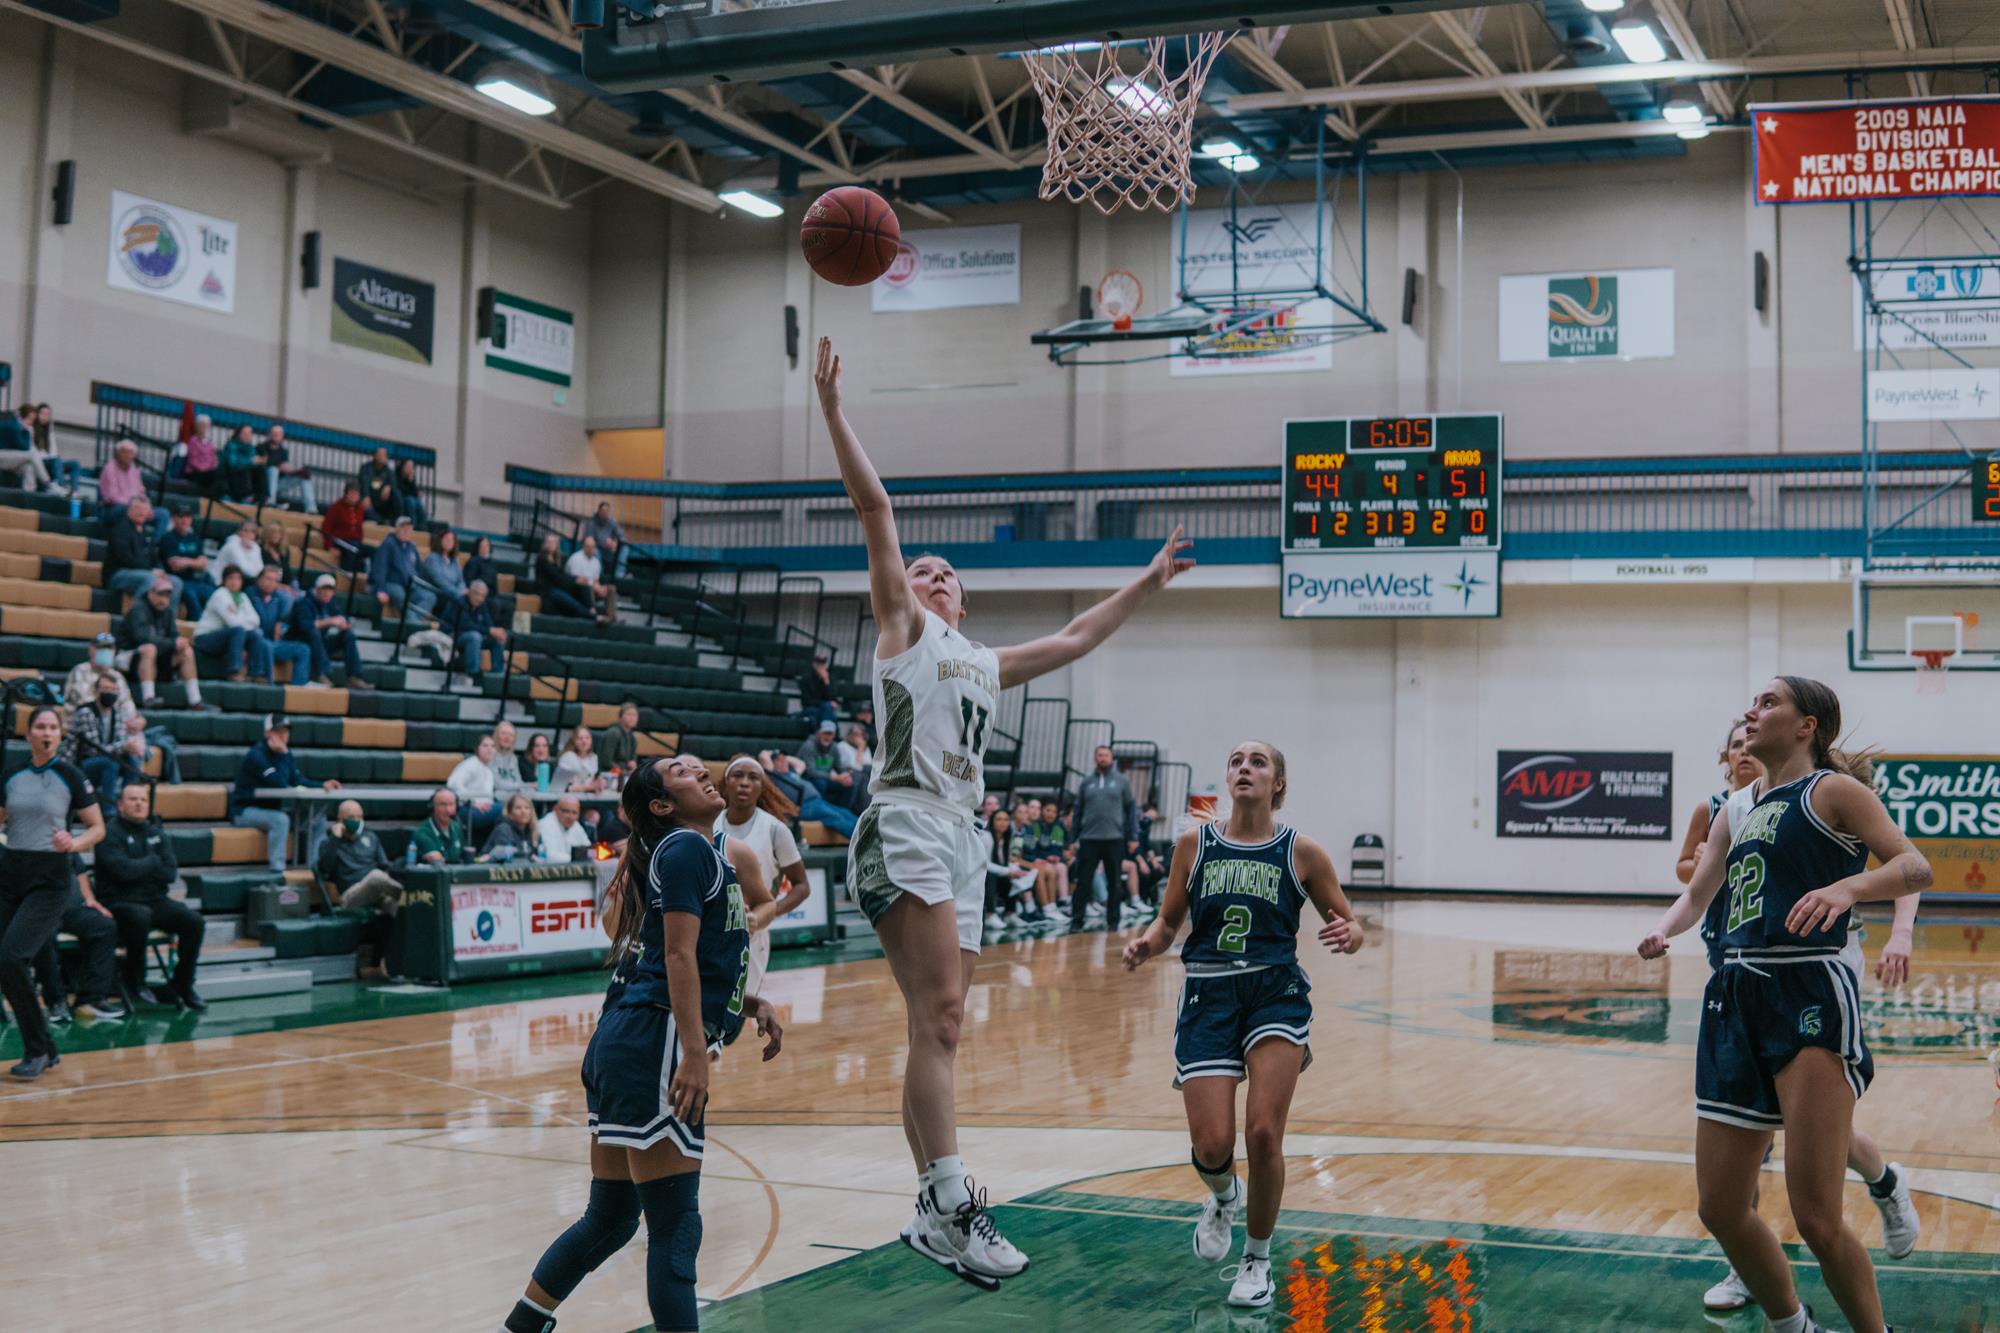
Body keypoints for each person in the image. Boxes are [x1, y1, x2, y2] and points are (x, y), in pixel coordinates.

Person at [816, 335, 1192, 1288]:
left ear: (966, 599)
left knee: (935, 1026)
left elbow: (1072, 634)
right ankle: (951, 1203)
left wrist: (1144, 584)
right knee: (940, 1016)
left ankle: (928, 1206)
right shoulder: (901, 628)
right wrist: (831, 410)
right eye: (921, 568)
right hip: (903, 818)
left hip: (962, 833)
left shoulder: (983, 660)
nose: (929, 573)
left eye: (945, 572)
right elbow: (877, 507)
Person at [1637, 677, 1932, 1333]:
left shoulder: (1833, 790)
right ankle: (1793, 1325)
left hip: (1808, 987)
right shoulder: (1733, 807)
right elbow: (1699, 891)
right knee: (1719, 1204)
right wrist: (1667, 927)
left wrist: (1851, 887)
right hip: (1735, 992)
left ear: (1808, 725)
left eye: (1768, 702)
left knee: (1818, 1217)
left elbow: (1915, 867)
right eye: (1752, 702)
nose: (1750, 711)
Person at [500, 756, 781, 1333]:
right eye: (681, 772)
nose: (701, 771)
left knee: (611, 1218)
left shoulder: (699, 851)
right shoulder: (686, 849)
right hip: (654, 1040)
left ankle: (522, 1327)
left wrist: (749, 1004)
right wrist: (696, 1054)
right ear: (662, 805)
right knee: (677, 1227)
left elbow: (680, 958)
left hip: (627, 1037)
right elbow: (676, 956)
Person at [1122, 741, 1363, 1308]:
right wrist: (1147, 945)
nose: (1244, 768)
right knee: (1212, 1144)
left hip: (1274, 992)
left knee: (1262, 1132)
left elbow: (1350, 924)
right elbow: (1167, 922)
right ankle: (1223, 1194)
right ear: (1227, 778)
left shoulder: (1301, 852)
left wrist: (1350, 935)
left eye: (1257, 762)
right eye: (1236, 761)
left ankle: (1257, 1260)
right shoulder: (1193, 844)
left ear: (1278, 782)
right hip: (1208, 994)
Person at [0, 705, 107, 1080]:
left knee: (11, 957)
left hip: (50, 881)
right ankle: (45, 1046)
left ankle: (36, 1050)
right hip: (11, 875)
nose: (46, 732)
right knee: (5, 964)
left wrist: (74, 841)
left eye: (52, 727)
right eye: (39, 726)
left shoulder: (70, 775)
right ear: (28, 733)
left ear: (60, 735)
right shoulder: (12, 775)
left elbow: (97, 828)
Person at [95, 784, 206, 1010]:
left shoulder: (156, 832)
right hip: (119, 901)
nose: (139, 804)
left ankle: (182, 983)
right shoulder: (109, 833)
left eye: (143, 800)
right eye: (133, 799)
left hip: (155, 900)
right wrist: (152, 862)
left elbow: (169, 873)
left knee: (194, 922)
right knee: (139, 916)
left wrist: (140, 868)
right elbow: (122, 872)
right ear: (120, 805)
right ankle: (135, 981)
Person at [717, 755, 812, 1007]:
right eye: (737, 776)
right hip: (709, 929)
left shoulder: (775, 829)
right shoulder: (709, 823)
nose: (744, 783)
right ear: (725, 783)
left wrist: (765, 915)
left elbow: (802, 886)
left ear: (763, 787)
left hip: (752, 935)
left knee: (734, 1013)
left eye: (753, 777)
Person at [230, 714, 338, 873]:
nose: (283, 735)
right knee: (280, 820)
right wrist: (284, 753)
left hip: (271, 810)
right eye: (278, 731)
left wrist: (322, 784)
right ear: (267, 733)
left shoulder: (285, 754)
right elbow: (279, 783)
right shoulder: (257, 755)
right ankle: (277, 871)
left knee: (317, 819)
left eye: (286, 731)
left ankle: (315, 869)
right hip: (244, 811)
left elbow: (297, 780)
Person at [315, 799, 401, 980]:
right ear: (339, 819)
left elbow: (385, 866)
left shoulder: (371, 837)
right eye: (351, 817)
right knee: (375, 877)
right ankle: (408, 893)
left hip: (379, 894)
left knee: (396, 907)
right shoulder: (330, 842)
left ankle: (387, 963)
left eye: (360, 816)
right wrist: (335, 839)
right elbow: (323, 869)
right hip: (351, 896)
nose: (356, 820)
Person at [1070, 744, 1139, 932]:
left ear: (1112, 758)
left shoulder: (1122, 782)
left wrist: (1133, 836)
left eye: (1106, 755)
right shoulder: (1086, 783)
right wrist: (1071, 839)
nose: (1103, 758)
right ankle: (1077, 921)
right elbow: (1078, 812)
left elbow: (1131, 810)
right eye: (1099, 755)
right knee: (1083, 881)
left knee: (1115, 883)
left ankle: (1113, 921)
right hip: (1089, 839)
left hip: (1114, 839)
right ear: (1095, 758)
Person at [119, 572, 204, 708]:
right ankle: (149, 698)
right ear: (150, 593)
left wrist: (179, 642)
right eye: (160, 594)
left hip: (155, 660)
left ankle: (195, 700)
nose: (163, 599)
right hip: (128, 658)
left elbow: (174, 636)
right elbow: (141, 639)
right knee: (149, 648)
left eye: (166, 596)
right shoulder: (138, 609)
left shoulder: (168, 612)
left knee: (186, 650)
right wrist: (172, 643)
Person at [62, 672, 144, 808]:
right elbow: (94, 750)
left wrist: (129, 748)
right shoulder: (86, 712)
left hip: (104, 760)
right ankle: (109, 812)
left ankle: (127, 805)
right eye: (105, 689)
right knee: (109, 763)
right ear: (96, 692)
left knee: (132, 762)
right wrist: (125, 746)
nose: (110, 693)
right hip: (79, 764)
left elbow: (119, 742)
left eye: (113, 690)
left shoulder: (117, 714)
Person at [196, 565, 275, 683]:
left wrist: (238, 617)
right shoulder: (220, 594)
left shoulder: (242, 596)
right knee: (238, 631)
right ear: (224, 580)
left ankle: (255, 673)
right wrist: (244, 619)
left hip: (226, 637)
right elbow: (233, 623)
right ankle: (234, 671)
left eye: (238, 579)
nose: (235, 582)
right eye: (231, 578)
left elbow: (256, 620)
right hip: (205, 638)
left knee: (254, 635)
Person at [287, 574, 368, 688]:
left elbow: (341, 618)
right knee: (314, 633)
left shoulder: (330, 603)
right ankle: (321, 674)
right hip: (299, 642)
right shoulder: (304, 602)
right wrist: (329, 621)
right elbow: (306, 627)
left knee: (348, 635)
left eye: (330, 590)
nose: (327, 593)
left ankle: (354, 677)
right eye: (324, 589)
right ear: (316, 589)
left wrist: (344, 624)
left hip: (318, 644)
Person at [105, 498, 178, 606]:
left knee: (175, 582)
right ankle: (138, 618)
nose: (142, 512)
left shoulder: (147, 532)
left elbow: (154, 557)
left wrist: (160, 571)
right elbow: (126, 559)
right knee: (150, 578)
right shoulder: (119, 530)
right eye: (138, 508)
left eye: (145, 509)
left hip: (144, 572)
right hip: (118, 574)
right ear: (129, 510)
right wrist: (151, 571)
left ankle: (166, 621)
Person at [249, 565, 313, 685]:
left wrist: (281, 626)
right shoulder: (249, 594)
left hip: (273, 642)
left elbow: (283, 622)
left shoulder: (279, 598)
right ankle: (269, 685)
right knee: (265, 644)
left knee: (303, 649)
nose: (271, 583)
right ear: (259, 579)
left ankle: (298, 689)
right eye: (268, 579)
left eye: (275, 580)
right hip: (255, 642)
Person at [441, 580, 506, 686]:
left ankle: (498, 677)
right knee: (474, 636)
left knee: (497, 639)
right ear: (469, 592)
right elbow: (465, 625)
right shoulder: (459, 602)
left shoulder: (482, 606)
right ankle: (472, 675)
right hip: (452, 635)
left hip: (470, 636)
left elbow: (489, 625)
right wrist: (490, 630)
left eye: (483, 596)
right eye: (477, 594)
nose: (479, 599)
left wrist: (495, 632)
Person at [158, 505, 217, 618]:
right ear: (173, 519)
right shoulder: (168, 538)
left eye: (188, 517)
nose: (185, 520)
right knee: (191, 595)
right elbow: (175, 565)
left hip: (193, 580)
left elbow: (204, 564)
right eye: (181, 516)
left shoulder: (195, 538)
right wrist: (195, 562)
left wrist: (185, 561)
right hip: (174, 580)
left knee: (213, 593)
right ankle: (196, 624)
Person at [448, 736, 502, 837]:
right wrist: (472, 802)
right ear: (477, 749)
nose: (489, 749)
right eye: (485, 745)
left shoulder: (488, 768)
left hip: (484, 809)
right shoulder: (470, 765)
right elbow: (452, 785)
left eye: (493, 746)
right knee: (507, 808)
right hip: (468, 810)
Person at [796, 719, 856, 809]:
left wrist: (846, 775)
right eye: (825, 733)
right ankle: (820, 809)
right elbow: (810, 772)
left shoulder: (834, 747)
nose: (827, 737)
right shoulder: (809, 746)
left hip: (826, 778)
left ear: (834, 735)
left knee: (849, 785)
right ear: (818, 734)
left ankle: (843, 811)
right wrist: (834, 778)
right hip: (806, 779)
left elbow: (838, 767)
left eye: (830, 734)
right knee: (821, 783)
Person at [410, 527, 465, 620]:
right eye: (446, 539)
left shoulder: (454, 561)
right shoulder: (433, 558)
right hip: (433, 592)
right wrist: (458, 593)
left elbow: (461, 580)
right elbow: (441, 582)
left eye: (452, 540)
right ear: (440, 540)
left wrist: (461, 591)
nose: (449, 542)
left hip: (448, 595)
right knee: (456, 600)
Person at [370, 515, 420, 616]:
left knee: (428, 596)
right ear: (396, 529)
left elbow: (419, 569)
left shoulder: (412, 547)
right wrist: (381, 589)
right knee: (400, 594)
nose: (406, 531)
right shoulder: (388, 544)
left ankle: (414, 620)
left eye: (409, 529)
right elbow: (380, 568)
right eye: (403, 528)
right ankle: (412, 623)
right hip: (391, 583)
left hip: (409, 586)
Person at [261, 424, 317, 513]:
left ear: (282, 436)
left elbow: (284, 467)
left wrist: (293, 471)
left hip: (279, 483)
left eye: (279, 434)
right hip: (265, 482)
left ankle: (311, 508)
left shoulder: (283, 451)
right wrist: (279, 467)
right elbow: (262, 464)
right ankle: (271, 502)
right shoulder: (261, 447)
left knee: (304, 477)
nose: (276, 436)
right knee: (273, 470)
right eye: (274, 433)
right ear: (270, 434)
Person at [535, 534, 592, 619]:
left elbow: (562, 576)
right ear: (545, 544)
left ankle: (592, 610)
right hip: (548, 591)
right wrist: (575, 580)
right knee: (570, 600)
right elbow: (557, 577)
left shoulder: (556, 559)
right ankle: (592, 616)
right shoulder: (542, 560)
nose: (552, 544)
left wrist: (576, 579)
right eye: (550, 542)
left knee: (583, 586)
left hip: (557, 588)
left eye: (554, 542)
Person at [0, 402, 53, 492]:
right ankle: (48, 483)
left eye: (33, 420)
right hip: (2, 456)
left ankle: (28, 496)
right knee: (31, 455)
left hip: (8, 459)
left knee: (29, 467)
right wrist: (28, 431)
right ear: (22, 416)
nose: (31, 423)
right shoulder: (14, 426)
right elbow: (25, 447)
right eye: (30, 419)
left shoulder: (17, 425)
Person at [96, 437, 149, 526]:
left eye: (132, 453)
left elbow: (141, 491)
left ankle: (154, 540)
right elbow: (111, 497)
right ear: (118, 454)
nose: (129, 456)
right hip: (111, 509)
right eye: (125, 452)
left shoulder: (134, 470)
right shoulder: (109, 469)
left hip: (133, 507)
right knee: (127, 510)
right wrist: (134, 506)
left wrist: (145, 505)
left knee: (163, 514)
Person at [565, 533, 617, 623]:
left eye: (593, 546)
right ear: (583, 546)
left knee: (611, 588)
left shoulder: (596, 562)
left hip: (592, 588)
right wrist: (596, 587)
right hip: (576, 590)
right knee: (589, 588)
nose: (590, 549)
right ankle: (594, 616)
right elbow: (579, 581)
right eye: (588, 546)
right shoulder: (575, 558)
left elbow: (596, 580)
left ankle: (611, 617)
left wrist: (600, 588)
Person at [28, 404, 79, 494]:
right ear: (37, 414)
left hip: (52, 462)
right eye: (42, 413)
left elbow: (54, 451)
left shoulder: (49, 430)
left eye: (47, 415)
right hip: (41, 462)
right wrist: (50, 458)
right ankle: (61, 486)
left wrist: (52, 458)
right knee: (56, 460)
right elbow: (32, 451)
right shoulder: (31, 428)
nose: (44, 417)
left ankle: (74, 491)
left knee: (75, 463)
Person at [480, 794, 541, 863]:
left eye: (527, 808)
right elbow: (506, 857)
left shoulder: (531, 830)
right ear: (509, 813)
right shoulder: (503, 829)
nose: (523, 811)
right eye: (518, 808)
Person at [412, 788, 467, 864]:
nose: (448, 810)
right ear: (433, 807)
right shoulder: (422, 833)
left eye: (451, 804)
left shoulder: (457, 827)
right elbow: (438, 863)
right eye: (443, 805)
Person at [323, 481, 369, 573]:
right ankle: (346, 577)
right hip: (340, 541)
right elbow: (326, 528)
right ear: (346, 494)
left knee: (374, 551)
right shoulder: (336, 507)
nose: (354, 496)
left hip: (355, 542)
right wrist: (329, 546)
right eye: (351, 493)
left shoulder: (359, 509)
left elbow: (359, 530)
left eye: (356, 494)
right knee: (352, 550)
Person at [536, 794, 593, 864]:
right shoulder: (545, 824)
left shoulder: (575, 825)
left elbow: (588, 849)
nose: (570, 816)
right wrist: (575, 858)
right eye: (566, 811)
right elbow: (550, 856)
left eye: (574, 813)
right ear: (555, 809)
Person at [176, 413, 221, 493]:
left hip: (207, 472)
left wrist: (209, 469)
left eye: (206, 425)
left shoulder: (210, 444)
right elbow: (193, 460)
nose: (204, 428)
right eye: (201, 425)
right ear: (196, 426)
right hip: (194, 472)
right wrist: (204, 469)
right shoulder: (192, 441)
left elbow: (213, 461)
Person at [583, 502, 628, 579]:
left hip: (610, 551)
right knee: (595, 551)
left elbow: (622, 537)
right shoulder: (591, 523)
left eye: (607, 511)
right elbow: (588, 540)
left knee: (624, 548)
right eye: (603, 511)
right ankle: (600, 576)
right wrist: (602, 544)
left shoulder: (612, 522)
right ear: (598, 511)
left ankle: (619, 575)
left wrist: (615, 544)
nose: (605, 513)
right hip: (598, 549)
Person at [796, 648, 837, 729]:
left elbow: (832, 697)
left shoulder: (830, 678)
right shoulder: (805, 679)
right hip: (810, 707)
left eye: (823, 663)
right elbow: (806, 700)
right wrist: (824, 704)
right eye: (818, 663)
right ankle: (829, 734)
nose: (821, 666)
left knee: (828, 711)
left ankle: (826, 734)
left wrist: (826, 682)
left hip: (825, 708)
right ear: (813, 664)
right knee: (827, 713)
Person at [598, 700, 642, 776]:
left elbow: (632, 760)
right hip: (609, 775)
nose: (632, 718)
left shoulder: (632, 737)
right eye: (628, 714)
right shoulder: (613, 733)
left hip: (623, 773)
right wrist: (625, 769)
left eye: (635, 715)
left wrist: (633, 765)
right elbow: (606, 762)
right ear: (620, 717)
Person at [556, 726, 604, 794]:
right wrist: (588, 788)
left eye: (587, 738)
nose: (584, 741)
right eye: (580, 738)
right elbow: (559, 787)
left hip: (587, 797)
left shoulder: (593, 757)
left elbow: (589, 781)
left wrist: (598, 784)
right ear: (574, 741)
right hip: (567, 798)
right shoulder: (568, 757)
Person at [220, 425, 260, 502]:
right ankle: (241, 496)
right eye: (244, 433)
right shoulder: (231, 445)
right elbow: (233, 463)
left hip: (243, 478)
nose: (247, 436)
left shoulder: (251, 448)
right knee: (242, 468)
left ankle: (263, 498)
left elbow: (254, 461)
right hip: (230, 474)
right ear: (238, 434)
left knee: (261, 469)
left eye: (249, 433)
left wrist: (258, 462)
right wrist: (251, 461)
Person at [358, 447, 397, 521]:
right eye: (381, 454)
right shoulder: (366, 468)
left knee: (396, 494)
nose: (384, 457)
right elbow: (364, 483)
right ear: (375, 456)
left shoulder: (389, 471)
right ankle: (380, 521)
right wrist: (366, 496)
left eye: (385, 455)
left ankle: (396, 520)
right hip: (369, 497)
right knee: (365, 505)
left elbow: (394, 484)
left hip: (381, 499)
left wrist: (389, 487)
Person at [490, 721, 526, 796]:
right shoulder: (489, 754)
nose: (507, 737)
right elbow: (497, 784)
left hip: (512, 796)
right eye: (503, 733)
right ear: (496, 736)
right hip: (495, 797)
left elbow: (518, 780)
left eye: (511, 735)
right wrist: (520, 786)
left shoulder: (513, 758)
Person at [393, 457, 428, 529]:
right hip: (400, 500)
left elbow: (415, 493)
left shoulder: (410, 478)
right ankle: (413, 525)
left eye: (412, 467)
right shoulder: (396, 476)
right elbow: (401, 491)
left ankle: (423, 526)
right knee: (410, 501)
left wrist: (411, 481)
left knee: (418, 502)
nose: (410, 469)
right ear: (403, 467)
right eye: (408, 466)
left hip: (409, 498)